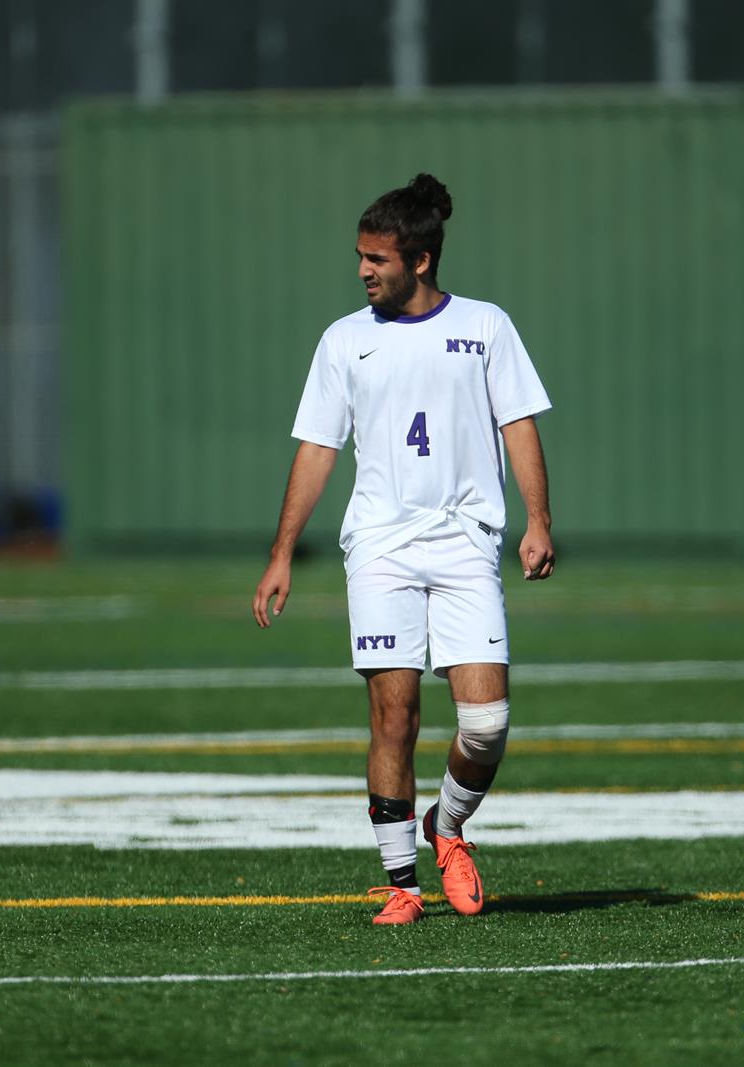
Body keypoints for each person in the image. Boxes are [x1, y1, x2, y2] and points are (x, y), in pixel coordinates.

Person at [252, 173, 555, 925]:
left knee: (486, 725)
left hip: (465, 545)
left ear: (420, 260)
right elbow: (318, 449)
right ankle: (402, 885)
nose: (363, 270)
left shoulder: (486, 326)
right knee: (395, 717)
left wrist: (538, 519)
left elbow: (519, 423)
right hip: (381, 548)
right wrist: (282, 551)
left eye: (377, 259)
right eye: (360, 256)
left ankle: (446, 828)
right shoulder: (344, 341)